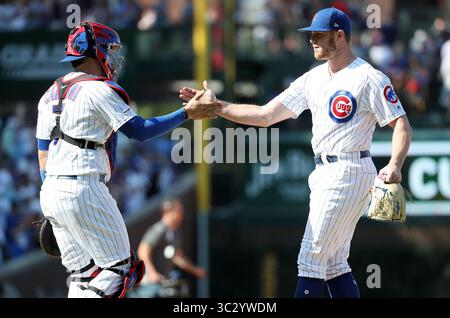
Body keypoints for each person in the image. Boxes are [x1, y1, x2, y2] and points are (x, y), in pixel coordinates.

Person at [179, 7, 412, 298]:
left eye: (318, 35)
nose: (312, 40)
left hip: (348, 169)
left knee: (310, 260)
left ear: (339, 36)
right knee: (334, 264)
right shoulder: (313, 78)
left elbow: (401, 124)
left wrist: (394, 164)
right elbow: (265, 115)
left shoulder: (368, 77)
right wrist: (219, 107)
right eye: (310, 35)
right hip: (326, 172)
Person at [36, 21, 222, 298]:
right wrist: (186, 113)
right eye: (109, 48)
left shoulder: (48, 94)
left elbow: (42, 156)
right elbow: (140, 130)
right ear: (93, 50)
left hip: (50, 190)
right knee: (121, 270)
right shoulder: (98, 89)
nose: (113, 55)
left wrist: (58, 204)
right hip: (83, 186)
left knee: (83, 274)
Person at [136, 198, 206, 297]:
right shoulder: (158, 230)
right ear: (168, 212)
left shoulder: (174, 232)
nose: (182, 215)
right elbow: (143, 251)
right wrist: (152, 272)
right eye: (179, 211)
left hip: (163, 281)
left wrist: (195, 270)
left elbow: (176, 257)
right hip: (150, 283)